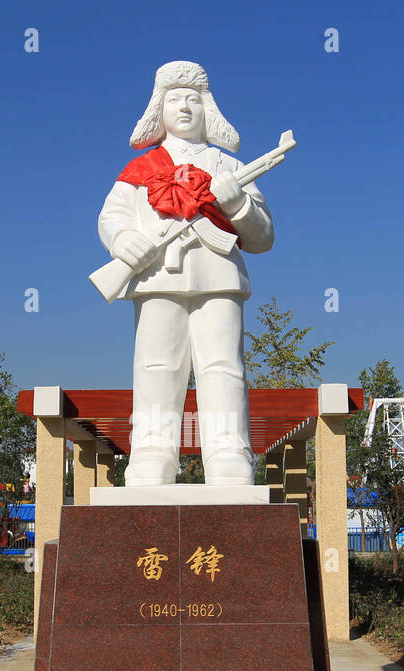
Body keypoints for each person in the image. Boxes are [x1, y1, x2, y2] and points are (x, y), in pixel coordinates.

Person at [97, 61, 275, 486]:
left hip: (219, 277)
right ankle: (152, 452)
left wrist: (238, 205)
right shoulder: (141, 170)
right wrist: (123, 240)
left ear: (207, 109)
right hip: (157, 277)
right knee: (156, 366)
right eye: (174, 99)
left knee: (223, 366)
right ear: (158, 109)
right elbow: (111, 216)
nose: (184, 107)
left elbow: (263, 236)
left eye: (193, 99)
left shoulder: (229, 165)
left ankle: (229, 451)